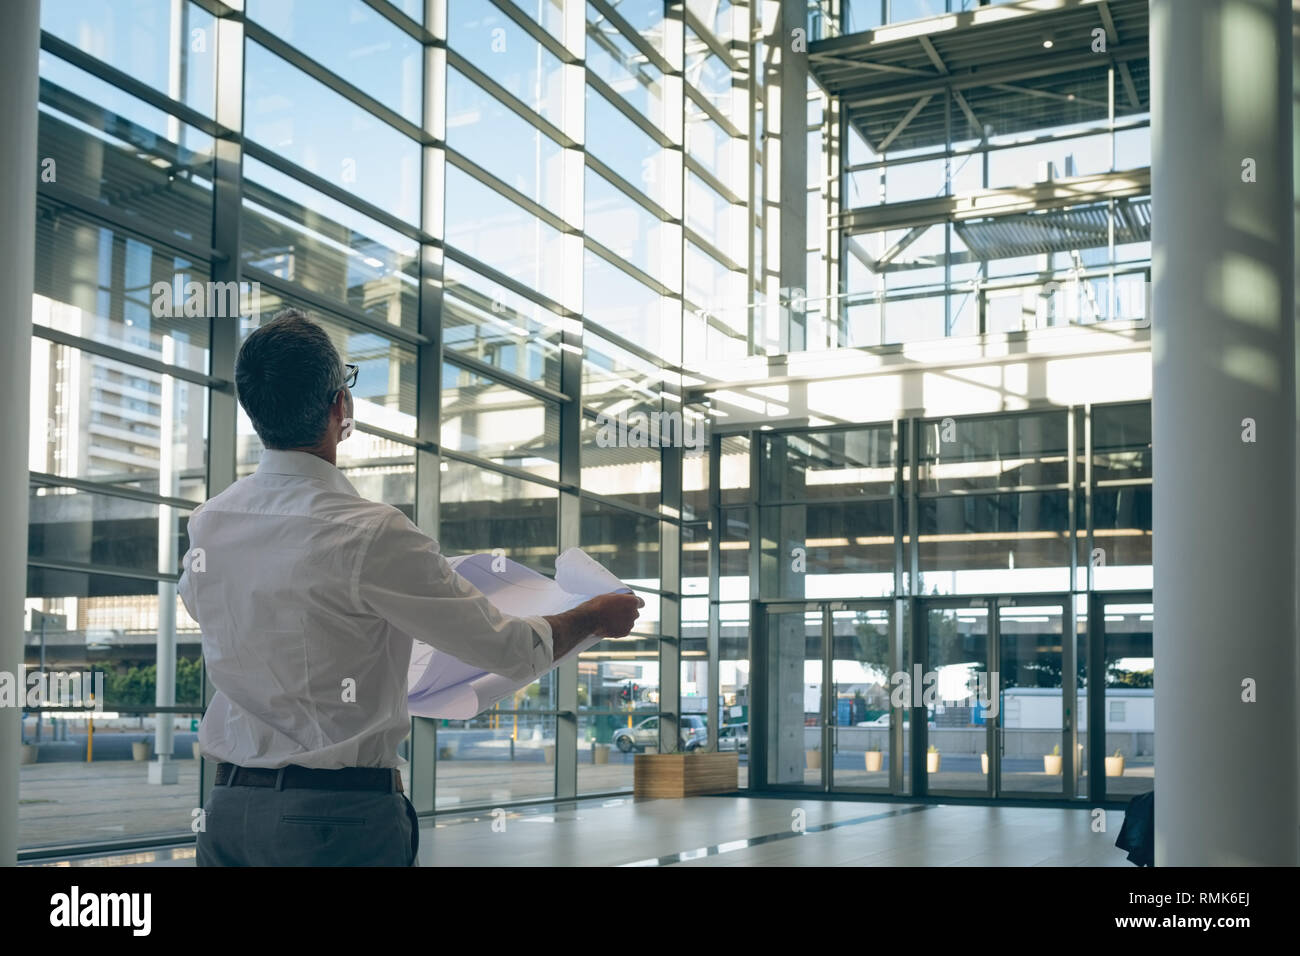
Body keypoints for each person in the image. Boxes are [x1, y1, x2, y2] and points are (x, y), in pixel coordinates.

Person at [180, 310, 641, 866]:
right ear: (339, 407)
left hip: (228, 817)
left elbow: (206, 602)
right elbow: (508, 649)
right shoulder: (370, 532)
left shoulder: (212, 522)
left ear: (255, 412)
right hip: (335, 824)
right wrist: (592, 616)